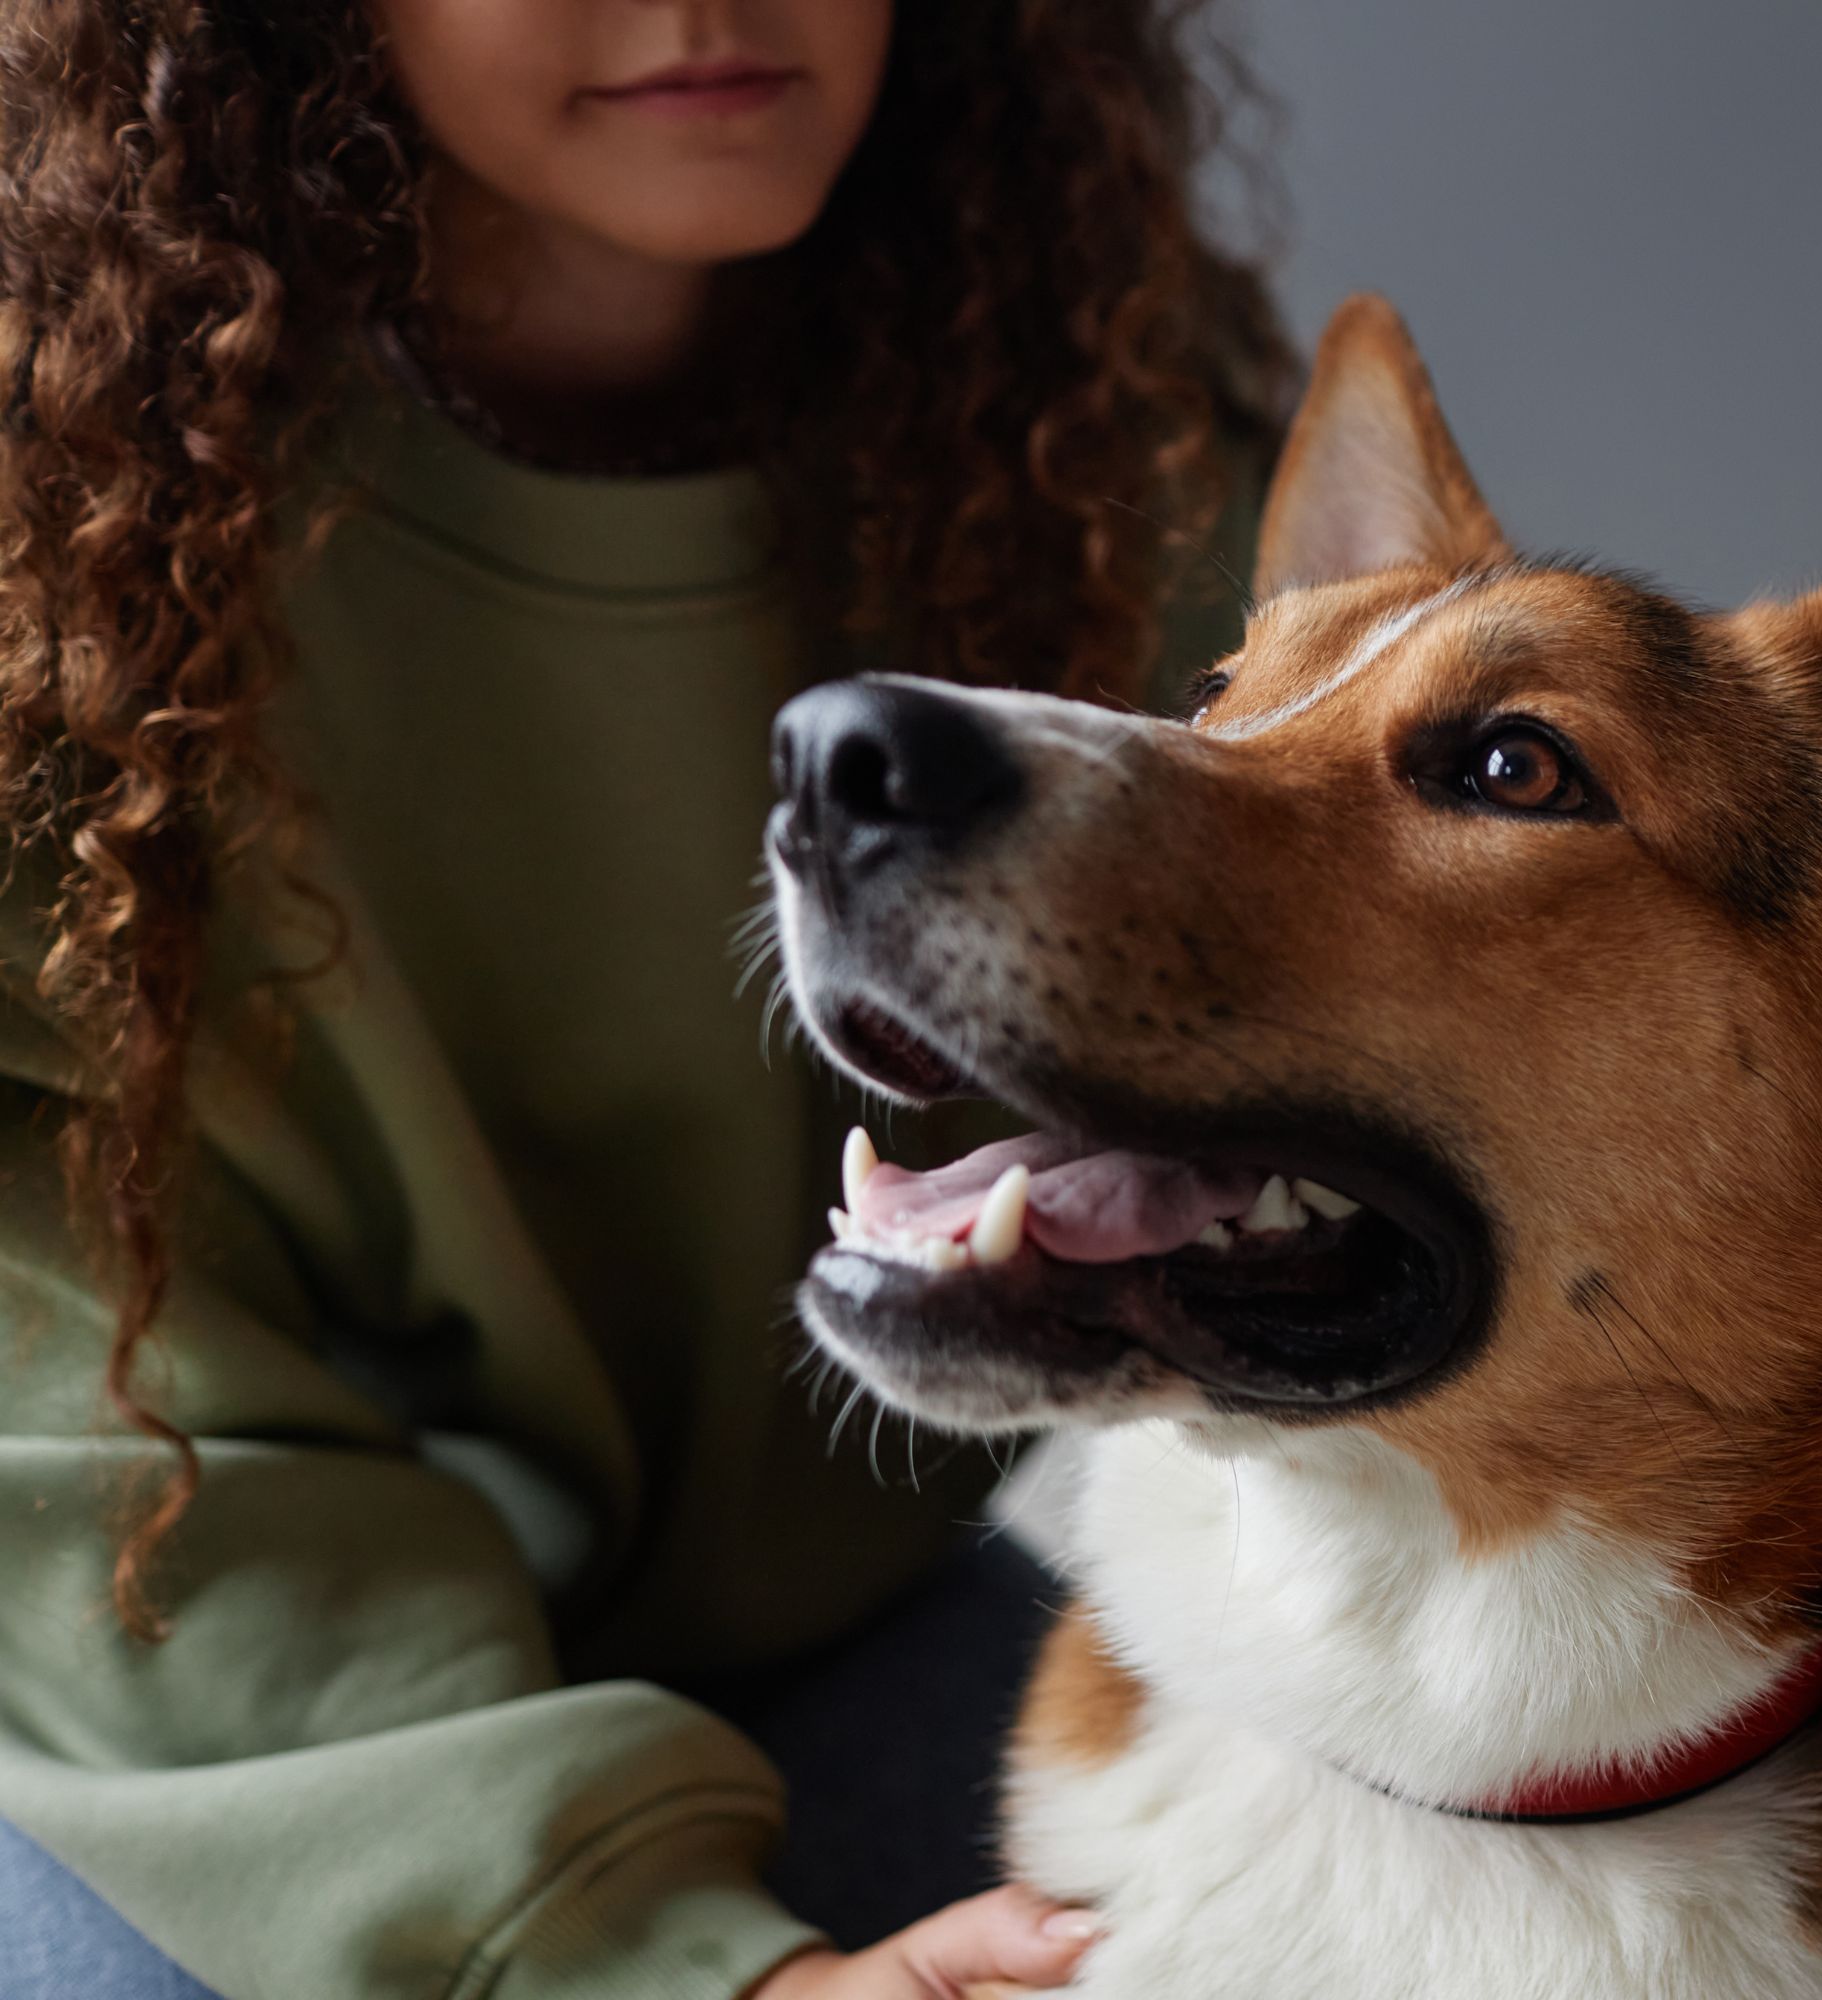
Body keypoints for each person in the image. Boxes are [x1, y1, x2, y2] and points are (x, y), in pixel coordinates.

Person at [0, 3, 1286, 1994]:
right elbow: (77, 1476)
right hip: (229, 1737)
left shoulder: (1062, 381)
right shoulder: (58, 528)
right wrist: (686, 1970)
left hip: (914, 1634)